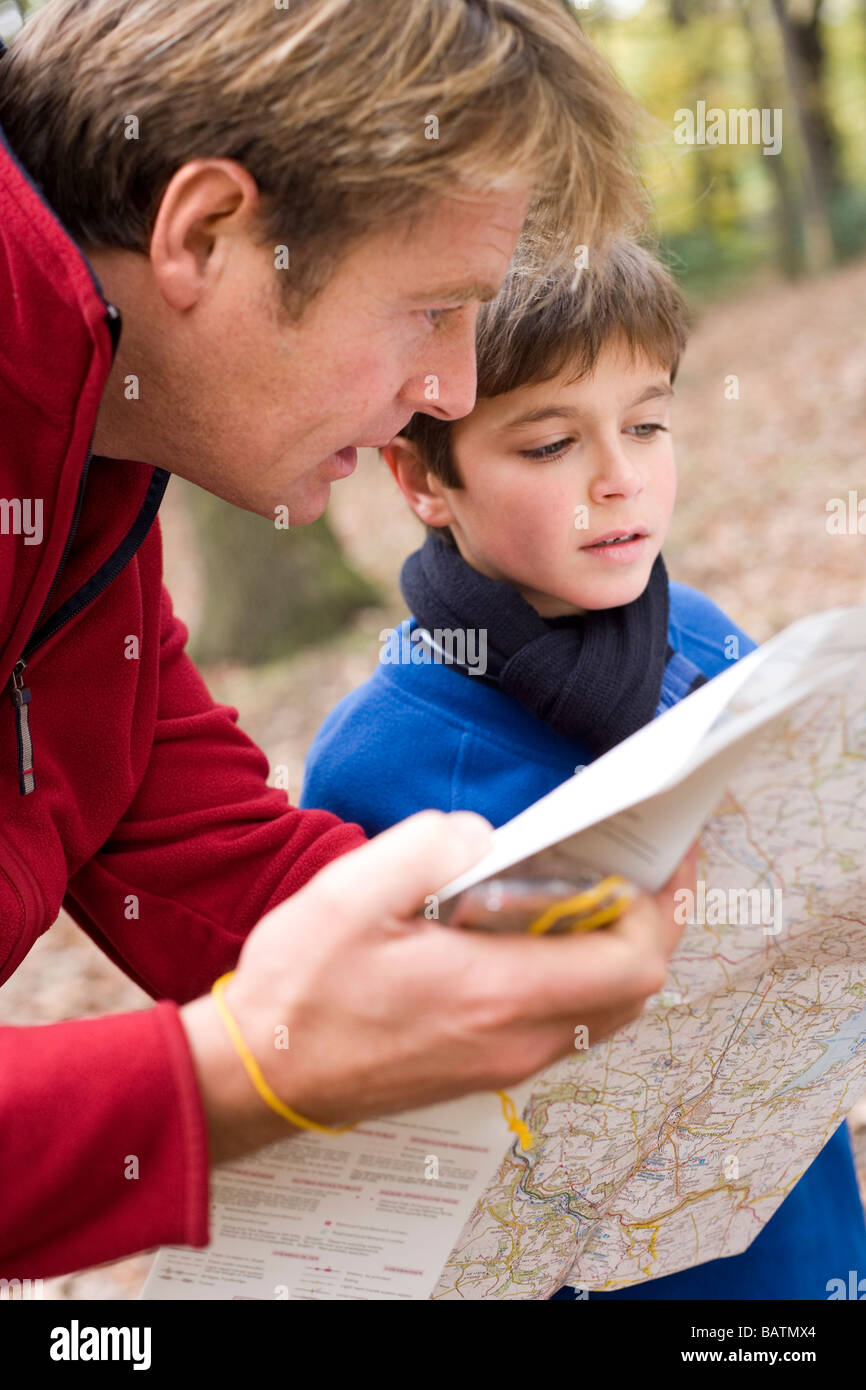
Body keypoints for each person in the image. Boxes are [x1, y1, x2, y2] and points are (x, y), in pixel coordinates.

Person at [0, 0, 691, 1282]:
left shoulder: (89, 470)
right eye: (432, 309)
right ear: (207, 234)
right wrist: (244, 1073)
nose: (454, 389)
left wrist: (519, 927)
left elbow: (205, 856)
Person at [298, 240, 866, 1299]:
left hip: (792, 1233)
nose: (618, 476)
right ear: (424, 476)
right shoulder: (377, 761)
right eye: (552, 441)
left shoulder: (705, 644)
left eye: (646, 424)